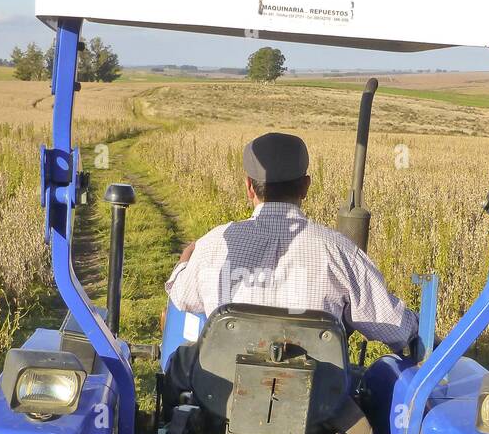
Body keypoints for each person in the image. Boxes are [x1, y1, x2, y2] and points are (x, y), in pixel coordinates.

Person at [164, 131, 417, 394]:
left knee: (182, 359)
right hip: (317, 412)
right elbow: (397, 328)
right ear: (305, 186)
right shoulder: (339, 251)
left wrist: (185, 260)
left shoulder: (213, 244)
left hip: (221, 402)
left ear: (249, 186)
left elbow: (182, 298)